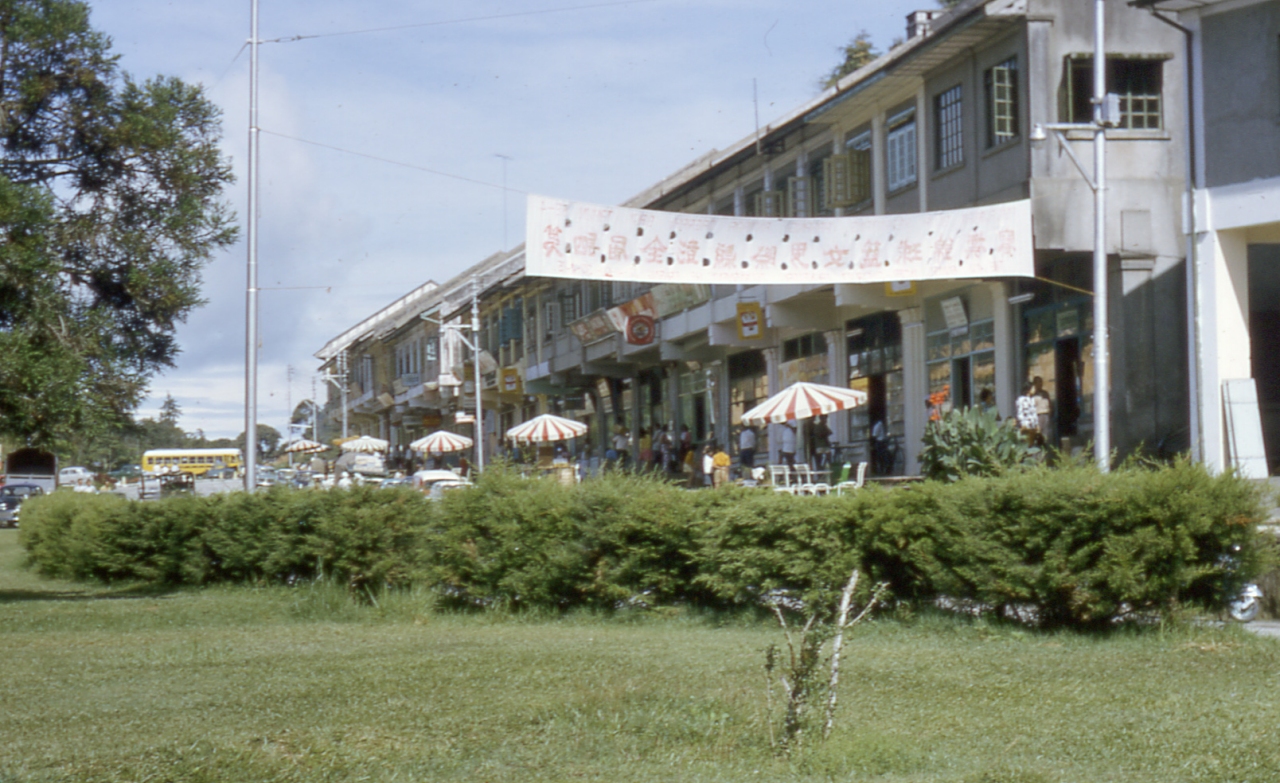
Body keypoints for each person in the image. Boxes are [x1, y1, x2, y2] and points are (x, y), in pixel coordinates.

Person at [1032, 376, 1053, 443]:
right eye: (1039, 382)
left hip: (1045, 415)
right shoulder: (1033, 395)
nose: (1040, 384)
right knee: (1037, 435)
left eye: (1041, 382)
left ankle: (1044, 449)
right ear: (1035, 384)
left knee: (1045, 435)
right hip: (1037, 416)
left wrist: (1049, 413)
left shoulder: (1045, 393)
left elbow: (1049, 405)